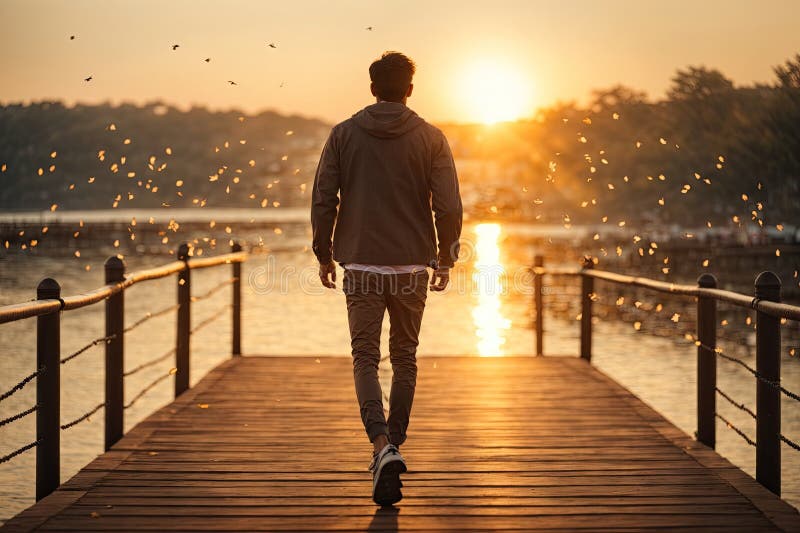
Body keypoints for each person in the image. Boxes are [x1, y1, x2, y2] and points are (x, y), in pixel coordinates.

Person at [311, 51, 462, 505]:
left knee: (364, 358)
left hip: (359, 264)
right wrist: (445, 257)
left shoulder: (342, 134)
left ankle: (381, 447)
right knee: (405, 358)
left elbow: (324, 199)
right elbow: (449, 206)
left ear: (372, 86)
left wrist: (324, 253)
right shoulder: (431, 138)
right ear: (410, 89)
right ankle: (394, 444)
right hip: (413, 265)